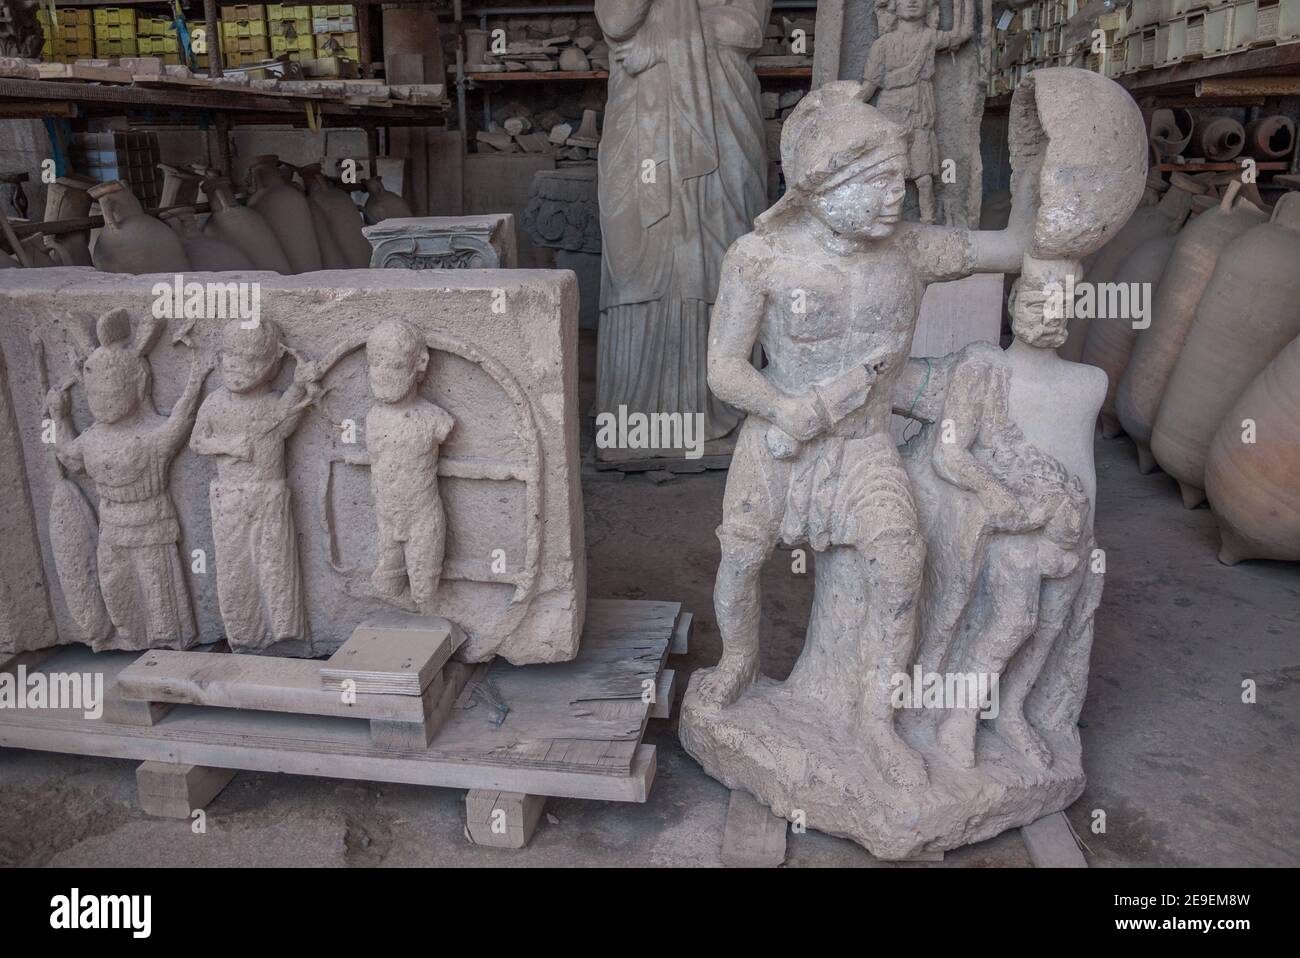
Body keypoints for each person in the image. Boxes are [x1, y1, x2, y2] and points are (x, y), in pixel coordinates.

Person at [695, 81, 1032, 788]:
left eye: (898, 183)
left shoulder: (913, 251)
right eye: (876, 183)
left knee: (901, 567)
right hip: (781, 438)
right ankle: (736, 666)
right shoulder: (760, 257)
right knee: (741, 558)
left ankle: (875, 721)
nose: (895, 199)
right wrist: (782, 408)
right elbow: (723, 366)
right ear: (822, 184)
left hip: (862, 445)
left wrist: (1036, 166)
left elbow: (1015, 247)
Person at [594, 0, 772, 457]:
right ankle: (636, 421)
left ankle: (717, 407)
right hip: (642, 121)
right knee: (640, 254)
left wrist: (662, 46)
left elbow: (746, 30)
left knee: (717, 258)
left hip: (720, 116)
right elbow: (616, 19)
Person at [45, 308, 208, 650]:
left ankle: (169, 645)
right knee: (116, 587)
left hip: (151, 527)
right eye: (93, 394)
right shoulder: (92, 437)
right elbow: (68, 457)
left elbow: (182, 417)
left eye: (110, 392)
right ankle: (130, 639)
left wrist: (198, 372)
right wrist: (58, 417)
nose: (100, 402)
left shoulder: (152, 435)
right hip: (112, 528)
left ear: (139, 384)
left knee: (158, 592)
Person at [190, 319, 316, 651]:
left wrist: (300, 386)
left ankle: (284, 633)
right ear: (220, 357)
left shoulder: (273, 402)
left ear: (273, 364)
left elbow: (286, 422)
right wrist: (229, 445)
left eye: (251, 360)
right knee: (235, 568)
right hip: (230, 498)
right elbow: (198, 442)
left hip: (269, 495)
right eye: (231, 356)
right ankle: (245, 635)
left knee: (275, 565)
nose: (238, 367)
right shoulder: (216, 403)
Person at [356, 319, 454, 612]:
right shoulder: (373, 417)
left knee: (425, 587)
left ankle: (430, 626)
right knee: (386, 584)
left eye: (396, 366)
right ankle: (414, 624)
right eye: (376, 364)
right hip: (386, 516)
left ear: (418, 366)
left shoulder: (434, 419)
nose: (384, 375)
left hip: (421, 515)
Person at [860, 0, 974, 224]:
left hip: (920, 109)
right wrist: (846, 106)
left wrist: (965, 6)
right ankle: (889, 222)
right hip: (890, 112)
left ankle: (927, 222)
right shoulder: (882, 45)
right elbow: (869, 86)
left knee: (923, 177)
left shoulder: (929, 37)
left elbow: (963, 34)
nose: (912, 2)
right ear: (894, 6)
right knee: (892, 172)